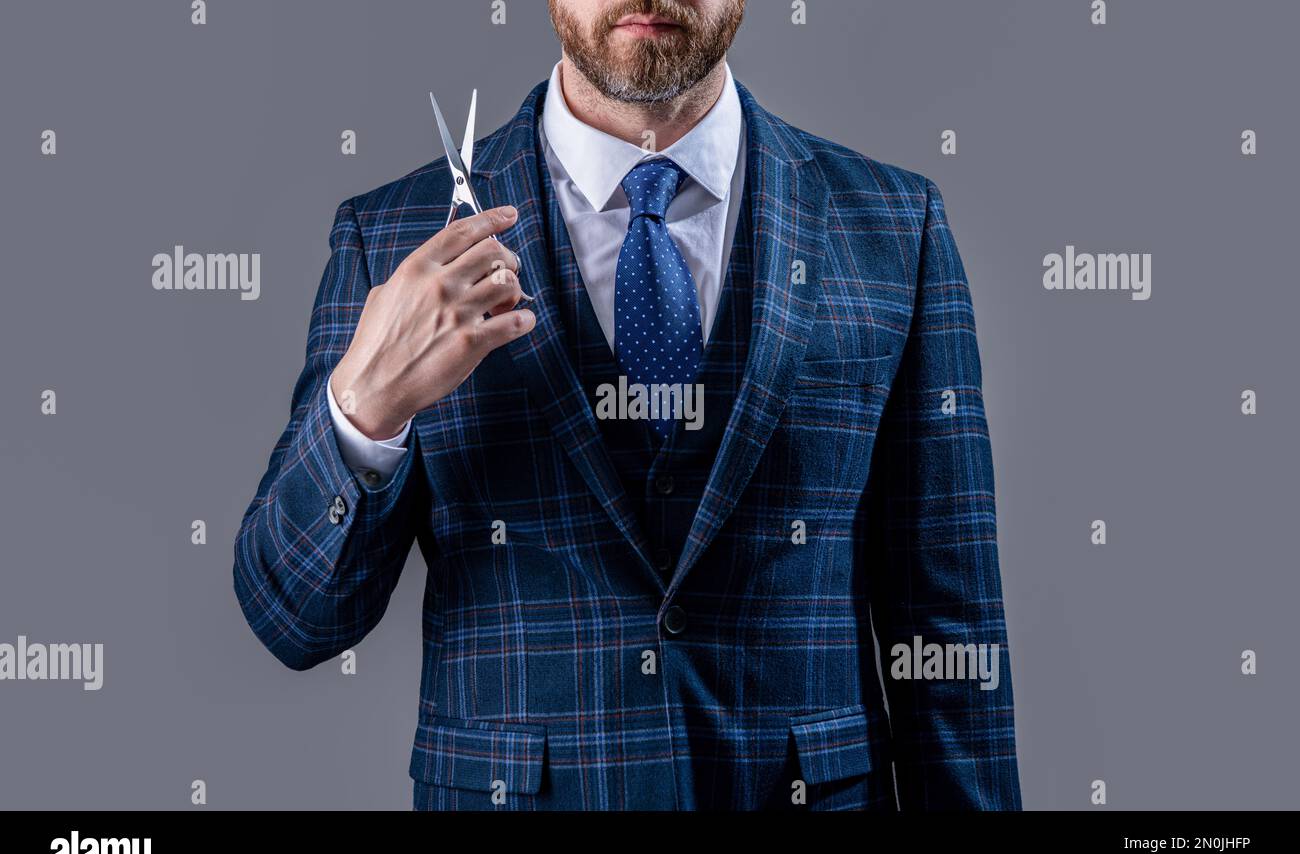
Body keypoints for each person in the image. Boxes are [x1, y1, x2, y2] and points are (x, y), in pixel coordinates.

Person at [234, 0, 1021, 811]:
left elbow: (948, 632)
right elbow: (293, 618)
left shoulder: (894, 227)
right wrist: (364, 409)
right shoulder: (390, 235)